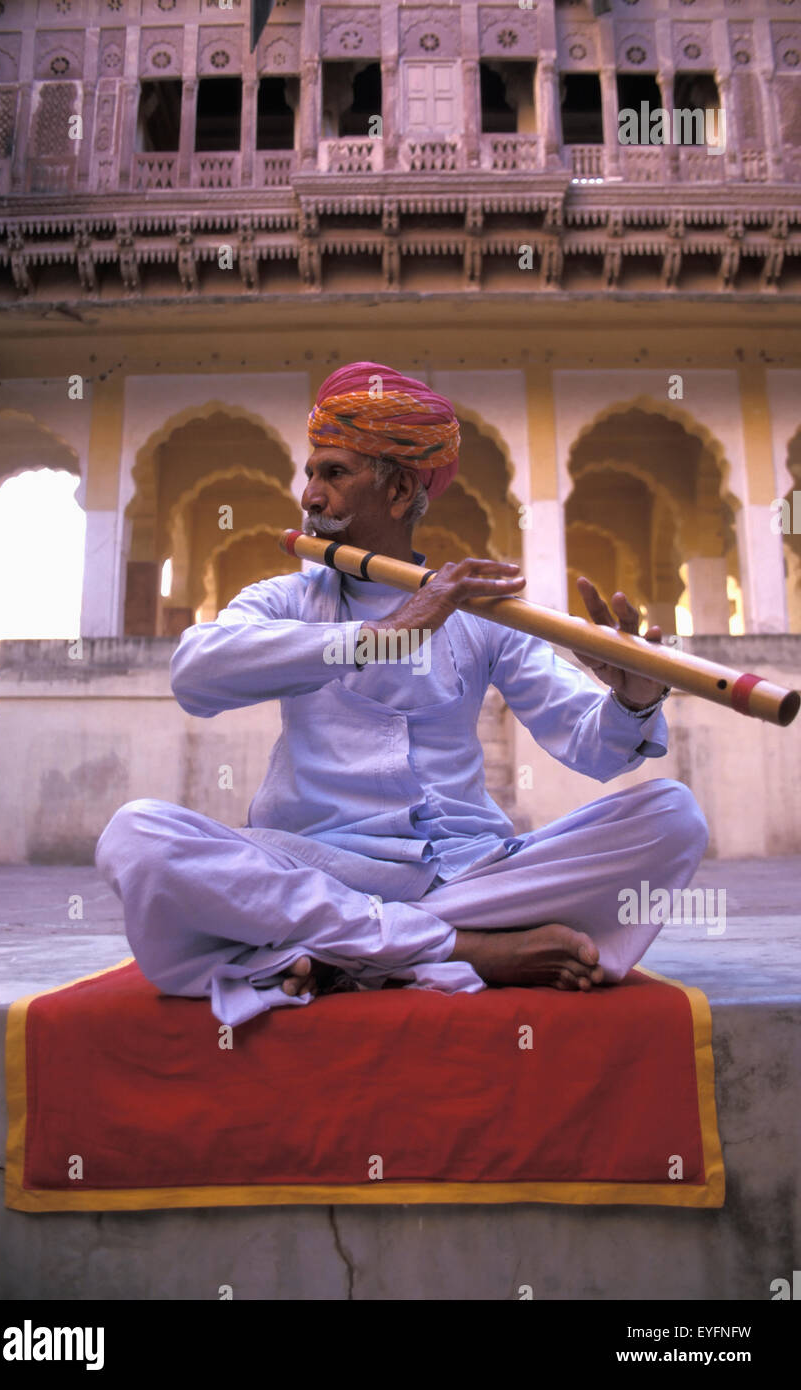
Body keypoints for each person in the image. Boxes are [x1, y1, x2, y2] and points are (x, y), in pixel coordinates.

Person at [95, 361, 708, 1028]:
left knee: (674, 818)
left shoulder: (479, 612)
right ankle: (461, 952)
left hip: (473, 880)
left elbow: (594, 747)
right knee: (138, 836)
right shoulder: (284, 599)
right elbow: (195, 674)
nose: (310, 495)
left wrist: (635, 700)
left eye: (333, 473)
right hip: (319, 868)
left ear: (397, 492)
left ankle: (357, 950)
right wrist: (379, 635)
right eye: (310, 473)